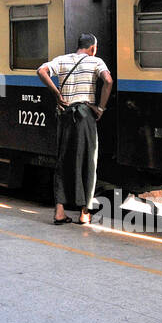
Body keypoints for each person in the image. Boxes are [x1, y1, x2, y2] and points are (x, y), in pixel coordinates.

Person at [38, 32, 113, 226]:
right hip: (85, 116)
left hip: (65, 115)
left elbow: (41, 71)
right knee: (87, 162)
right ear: (93, 48)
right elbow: (108, 81)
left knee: (63, 161)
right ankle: (84, 213)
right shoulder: (96, 62)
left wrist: (56, 93)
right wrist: (101, 108)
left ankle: (59, 212)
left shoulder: (62, 60)